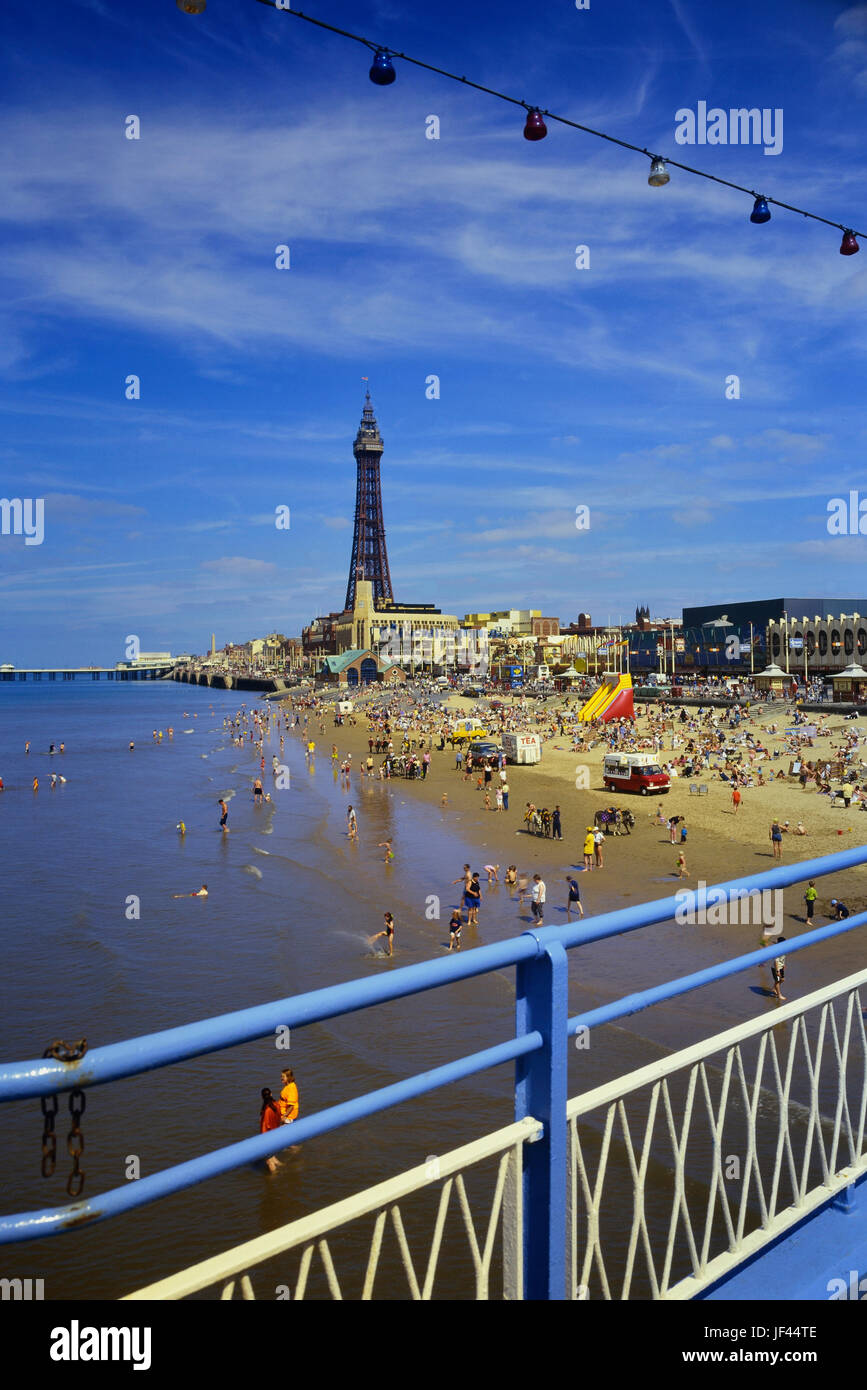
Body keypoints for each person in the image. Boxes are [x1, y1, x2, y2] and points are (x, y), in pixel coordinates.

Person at [259, 1088, 283, 1173]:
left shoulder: (266, 1110)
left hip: (268, 1137)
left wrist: (262, 1141)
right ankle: (282, 1166)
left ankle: (275, 1177)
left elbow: (264, 1127)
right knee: (272, 1156)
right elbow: (280, 1118)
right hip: (276, 1134)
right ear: (271, 1094)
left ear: (262, 1097)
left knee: (268, 1160)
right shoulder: (277, 1105)